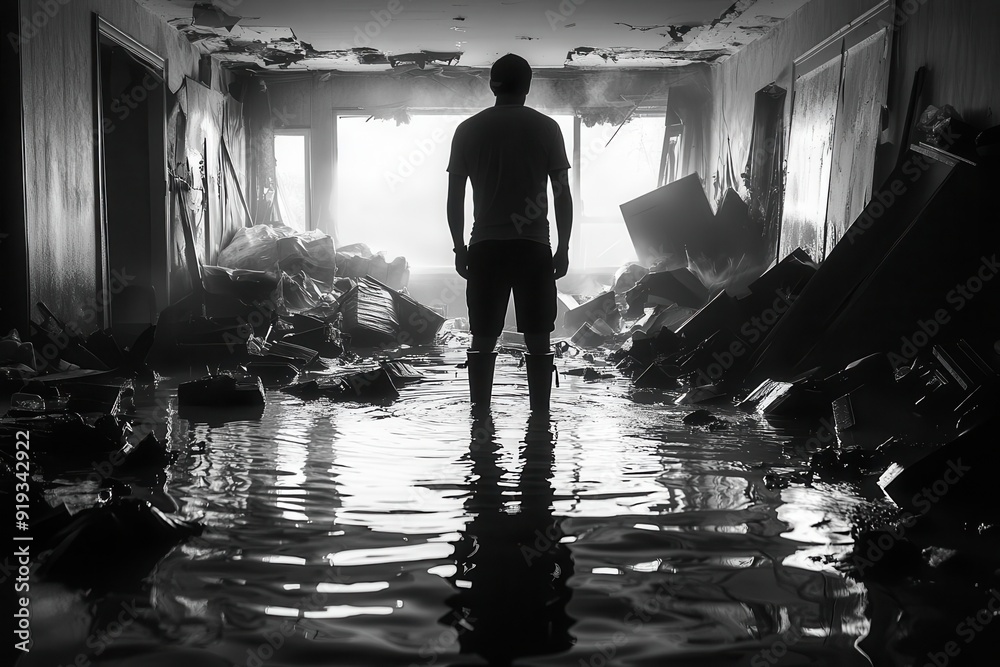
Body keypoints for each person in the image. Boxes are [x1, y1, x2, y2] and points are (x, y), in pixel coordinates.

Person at [446, 53, 573, 414]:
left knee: (483, 338)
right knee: (538, 339)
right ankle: (539, 418)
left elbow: (455, 196)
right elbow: (562, 193)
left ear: (492, 85)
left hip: (486, 248)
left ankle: (480, 416)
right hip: (533, 248)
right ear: (528, 87)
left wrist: (459, 248)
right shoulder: (547, 128)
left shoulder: (468, 129)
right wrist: (563, 248)